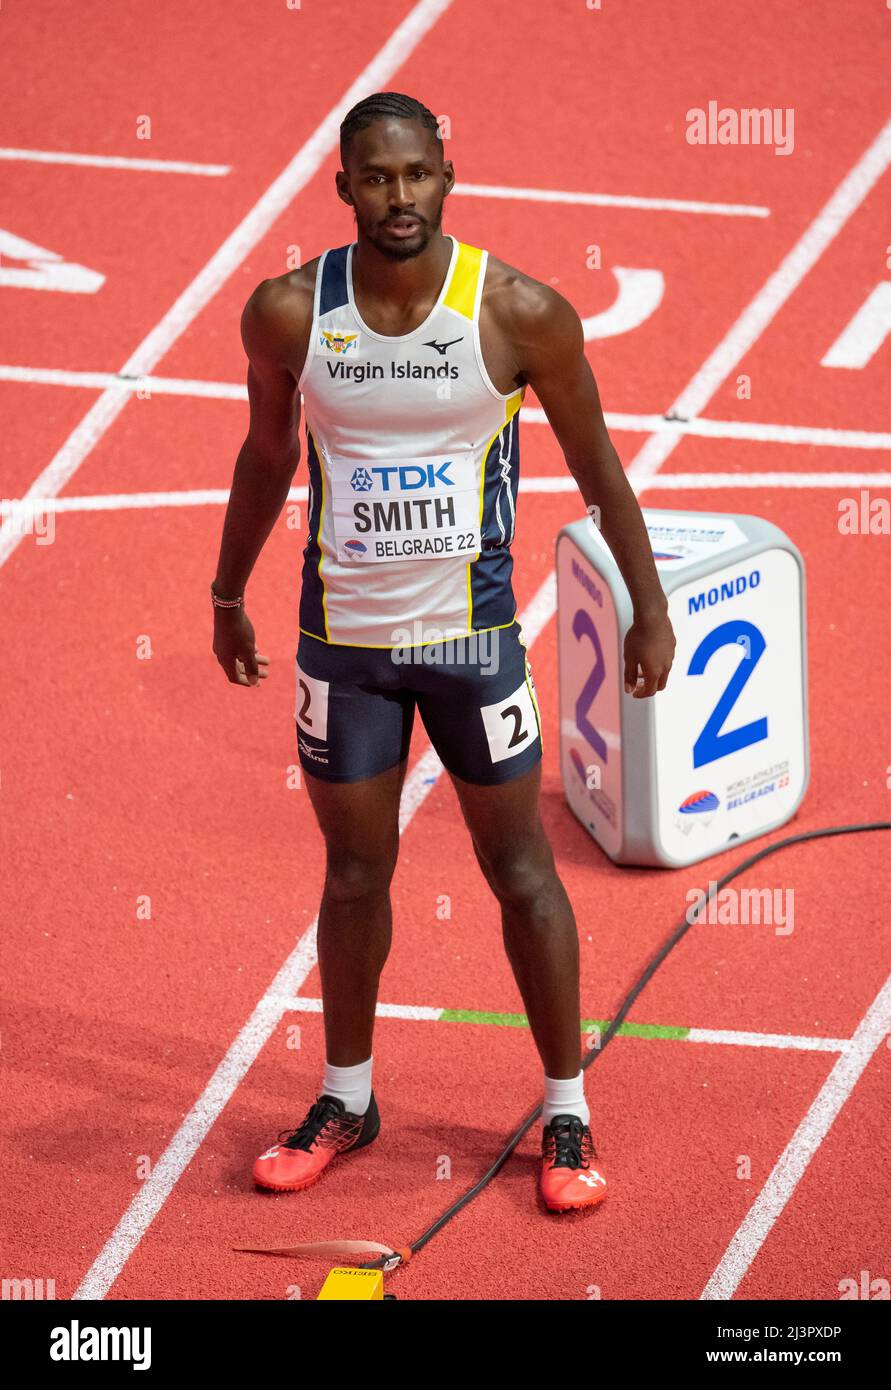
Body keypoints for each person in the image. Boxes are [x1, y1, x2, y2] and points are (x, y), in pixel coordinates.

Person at [212, 92, 675, 1213]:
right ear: (343, 188)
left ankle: (566, 1114)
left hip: (472, 647)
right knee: (356, 872)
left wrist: (647, 606)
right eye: (376, 177)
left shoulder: (518, 314)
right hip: (347, 649)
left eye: (417, 174)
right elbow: (267, 453)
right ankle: (348, 1097)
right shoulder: (288, 314)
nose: (399, 196)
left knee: (521, 871)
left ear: (448, 178)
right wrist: (227, 590)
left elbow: (601, 465)